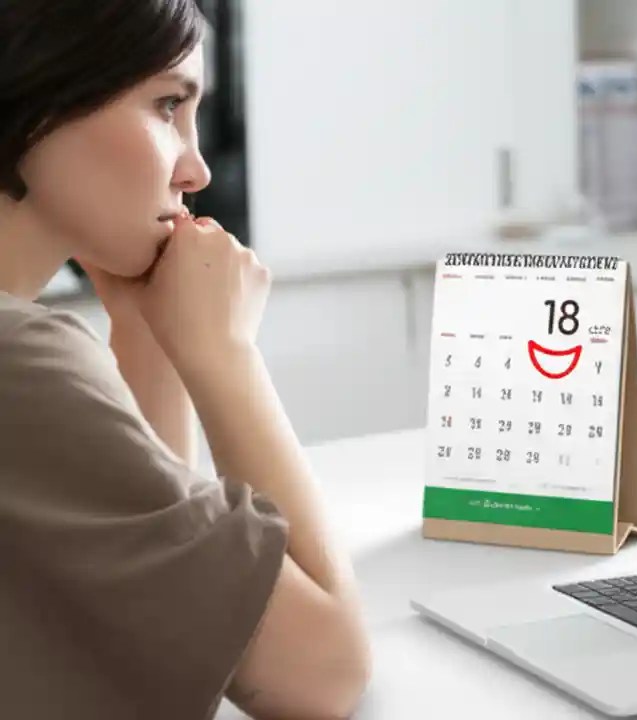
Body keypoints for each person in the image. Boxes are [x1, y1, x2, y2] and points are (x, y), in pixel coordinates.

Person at [0, 1, 373, 718]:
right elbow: (324, 675)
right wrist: (224, 355)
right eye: (167, 104)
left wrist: (148, 337)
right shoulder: (23, 363)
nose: (195, 168)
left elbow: (153, 595)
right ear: (39, 96)